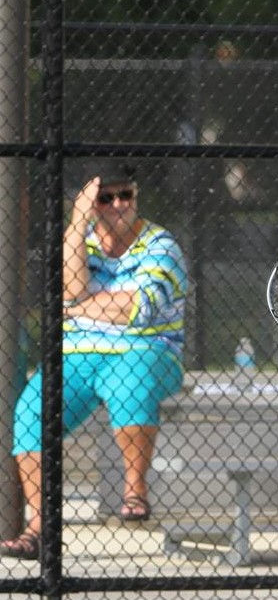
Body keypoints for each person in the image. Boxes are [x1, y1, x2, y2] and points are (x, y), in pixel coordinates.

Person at [2, 164, 188, 560]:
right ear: (89, 204)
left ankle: (135, 490)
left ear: (136, 196)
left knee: (130, 380)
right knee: (30, 412)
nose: (118, 204)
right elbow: (71, 286)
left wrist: (77, 306)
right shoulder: (79, 240)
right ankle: (40, 525)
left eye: (126, 195)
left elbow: (140, 308)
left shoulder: (161, 244)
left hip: (148, 349)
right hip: (78, 354)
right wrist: (76, 223)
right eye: (106, 198)